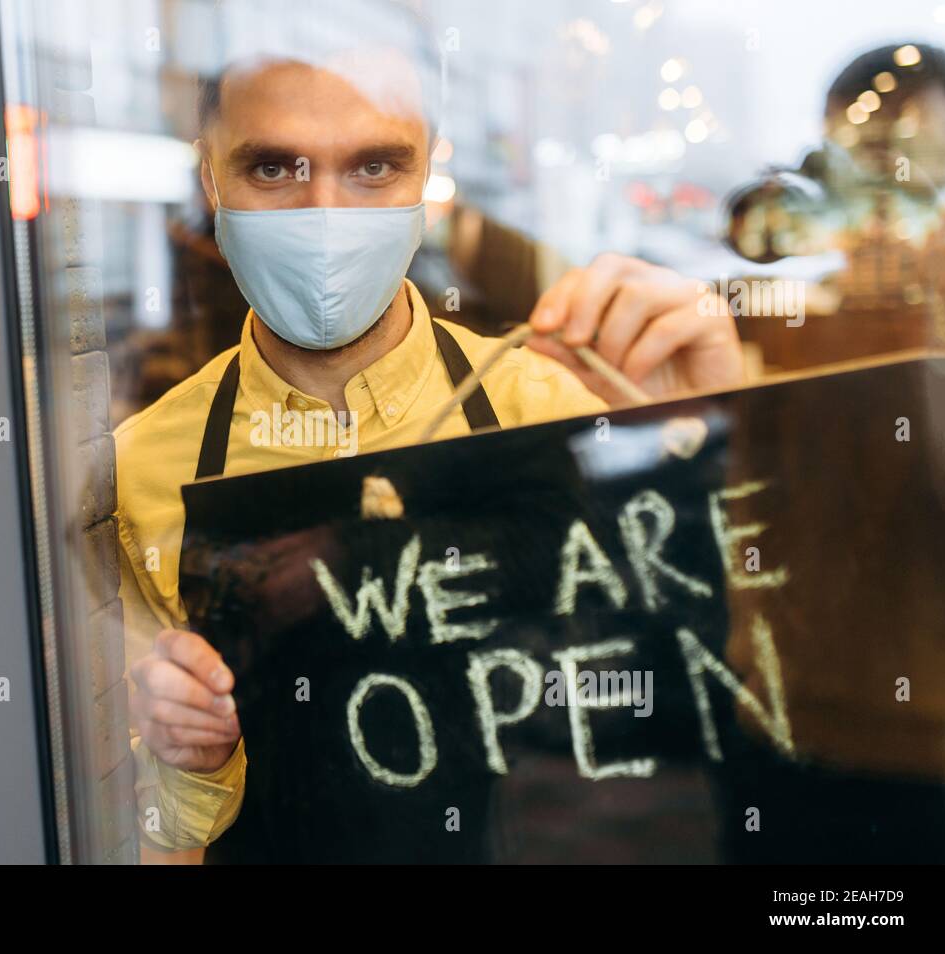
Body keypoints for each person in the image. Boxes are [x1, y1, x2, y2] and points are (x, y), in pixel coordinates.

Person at [114, 5, 743, 859]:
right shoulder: (140, 470)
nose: (326, 212)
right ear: (212, 180)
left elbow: (717, 674)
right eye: (273, 167)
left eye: (374, 165)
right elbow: (148, 828)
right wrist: (189, 762)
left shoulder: (550, 404)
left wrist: (717, 434)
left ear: (427, 181)